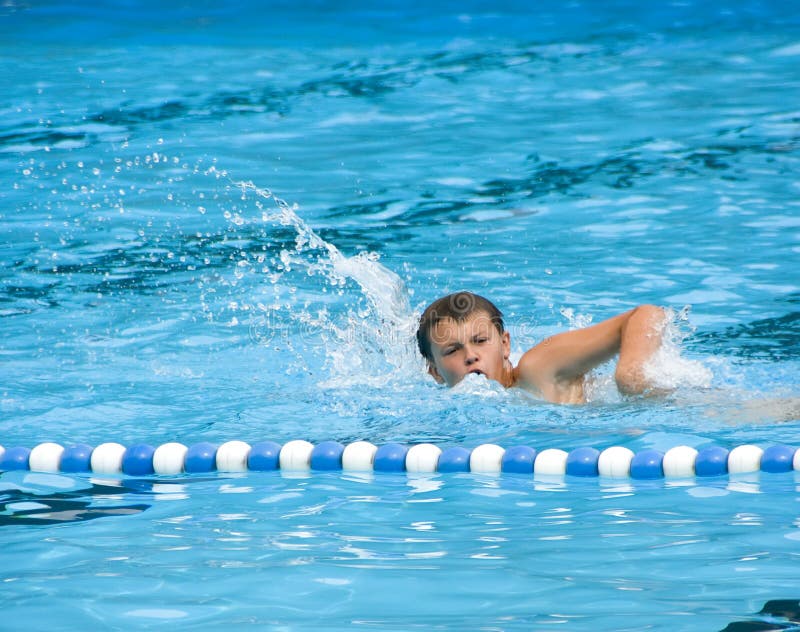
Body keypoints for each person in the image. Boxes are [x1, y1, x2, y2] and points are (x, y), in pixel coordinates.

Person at [416, 291, 667, 404]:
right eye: (452, 351)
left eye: (480, 341)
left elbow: (647, 314)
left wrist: (632, 375)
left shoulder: (538, 368)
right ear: (435, 372)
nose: (470, 356)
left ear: (505, 345)